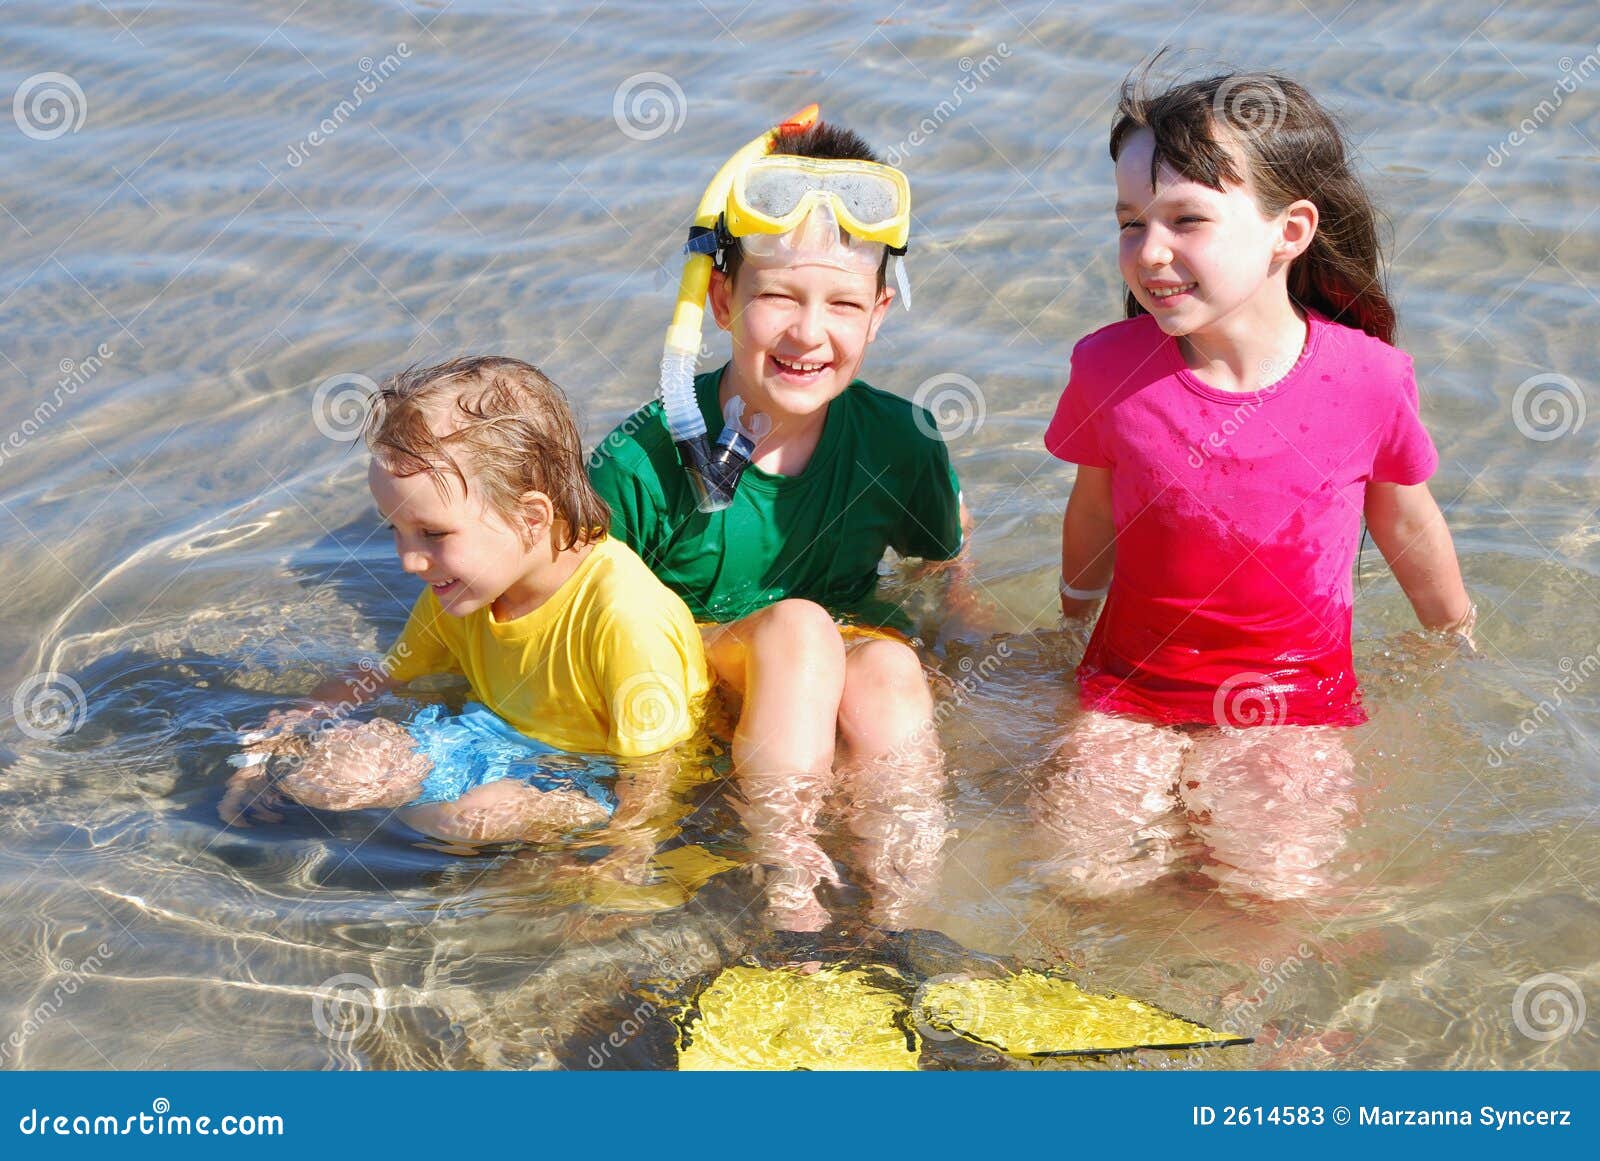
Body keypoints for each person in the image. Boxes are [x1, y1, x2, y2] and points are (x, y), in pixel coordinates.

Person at [1037, 69, 1473, 900]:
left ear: (1290, 231)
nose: (1149, 251)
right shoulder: (1108, 368)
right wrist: (1069, 619)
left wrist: (1453, 635)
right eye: (1130, 222)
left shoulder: (1369, 379)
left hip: (1293, 699)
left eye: (1186, 219)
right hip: (1131, 687)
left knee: (1273, 888)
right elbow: (1093, 503)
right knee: (1083, 876)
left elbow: (1406, 521)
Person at [588, 119, 969, 931]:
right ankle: (792, 904)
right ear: (723, 300)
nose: (808, 333)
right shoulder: (640, 460)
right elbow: (583, 620)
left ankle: (902, 919)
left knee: (890, 669)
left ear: (879, 312)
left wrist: (981, 644)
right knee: (799, 629)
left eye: (843, 303)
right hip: (703, 685)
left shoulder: (904, 442)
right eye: (779, 297)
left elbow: (943, 565)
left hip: (833, 681)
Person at [220, 356, 709, 846]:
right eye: (396, 530)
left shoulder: (624, 617)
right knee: (326, 776)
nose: (409, 560)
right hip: (489, 736)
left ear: (531, 518)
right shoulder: (464, 589)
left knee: (463, 819)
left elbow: (658, 771)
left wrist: (624, 852)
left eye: (433, 533)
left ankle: (540, 842)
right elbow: (381, 675)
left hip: (589, 775)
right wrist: (270, 747)